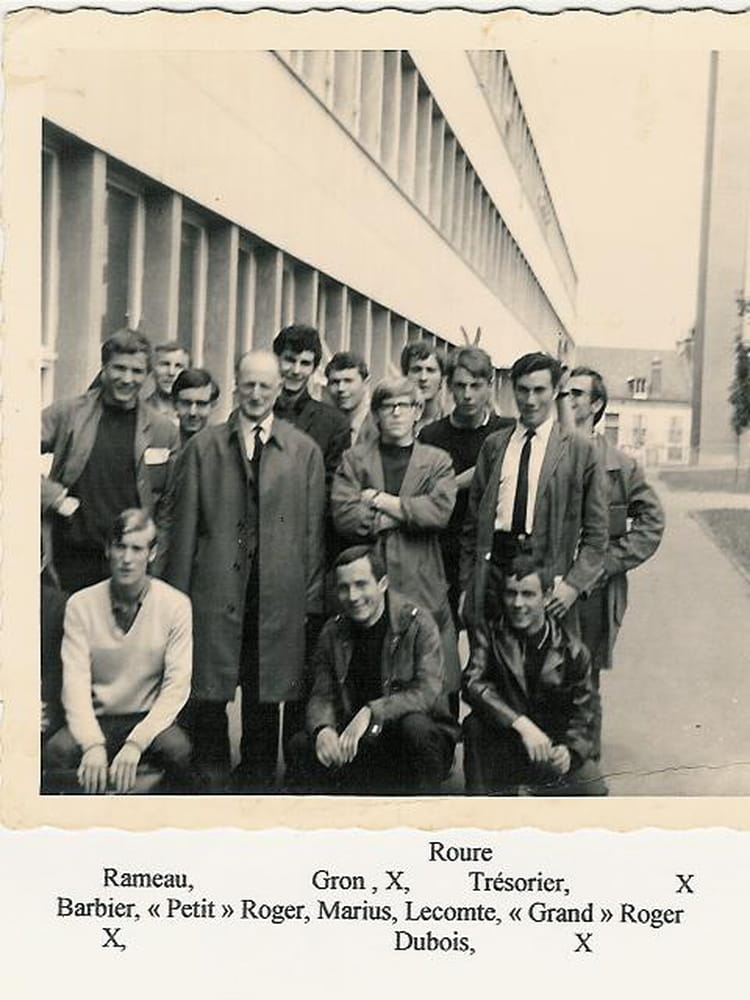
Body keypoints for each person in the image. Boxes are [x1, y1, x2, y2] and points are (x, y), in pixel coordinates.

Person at [165, 350, 326, 791]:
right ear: (236, 387)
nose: (256, 394)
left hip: (276, 589)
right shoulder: (204, 447)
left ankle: (257, 770)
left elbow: (312, 533)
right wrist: (176, 599)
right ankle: (212, 767)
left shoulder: (303, 451)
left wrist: (310, 600)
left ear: (279, 390)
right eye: (249, 385)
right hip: (215, 583)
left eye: (265, 386)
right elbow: (183, 529)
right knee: (209, 680)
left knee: (265, 680)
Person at [331, 377, 461, 717]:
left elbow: (440, 511)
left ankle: (435, 744)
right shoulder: (355, 458)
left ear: (418, 411)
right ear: (375, 414)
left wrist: (381, 501)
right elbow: (343, 513)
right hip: (370, 577)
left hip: (420, 576)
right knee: (373, 658)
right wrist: (407, 514)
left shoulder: (437, 461)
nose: (396, 413)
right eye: (388, 407)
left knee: (425, 660)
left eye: (404, 406)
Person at [43, 509, 193, 795]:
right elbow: (74, 684)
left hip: (147, 718)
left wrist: (136, 743)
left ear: (152, 553)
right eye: (120, 547)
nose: (127, 559)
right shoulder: (80, 605)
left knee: (179, 752)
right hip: (96, 717)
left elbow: (176, 688)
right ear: (108, 549)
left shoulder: (176, 606)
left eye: (137, 549)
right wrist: (92, 744)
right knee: (55, 752)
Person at [287, 546, 458, 794]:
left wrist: (373, 711)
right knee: (301, 745)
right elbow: (321, 694)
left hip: (405, 740)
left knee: (416, 729)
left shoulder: (417, 623)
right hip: (358, 742)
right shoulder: (332, 632)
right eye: (344, 587)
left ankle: (424, 817)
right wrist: (323, 729)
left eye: (361, 584)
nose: (353, 596)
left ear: (383, 583)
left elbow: (427, 692)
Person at [459, 351, 608, 629]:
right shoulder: (494, 446)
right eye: (523, 390)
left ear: (555, 392)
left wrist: (573, 586)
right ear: (512, 389)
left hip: (547, 576)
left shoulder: (578, 451)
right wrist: (469, 583)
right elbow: (472, 525)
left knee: (543, 664)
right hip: (495, 572)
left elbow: (597, 535)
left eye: (539, 390)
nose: (530, 400)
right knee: (492, 662)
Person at [568, 365, 665, 758]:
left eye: (576, 394)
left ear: (596, 405)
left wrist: (607, 563)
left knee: (583, 673)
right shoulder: (546, 453)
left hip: (593, 589)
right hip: (546, 579)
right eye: (564, 393)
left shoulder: (621, 466)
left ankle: (584, 764)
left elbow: (651, 522)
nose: (567, 400)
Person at [42, 329, 179, 594]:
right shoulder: (69, 413)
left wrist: (156, 560)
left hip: (130, 563)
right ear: (104, 367)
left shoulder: (163, 430)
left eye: (137, 371)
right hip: (73, 557)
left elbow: (168, 505)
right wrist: (54, 497)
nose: (127, 379)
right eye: (119, 368)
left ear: (147, 375)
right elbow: (10, 449)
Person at [462, 555, 607, 796]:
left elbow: (585, 713)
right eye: (511, 593)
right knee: (474, 725)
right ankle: (481, 808)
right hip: (505, 741)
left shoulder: (573, 650)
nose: (518, 604)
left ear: (548, 595)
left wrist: (570, 752)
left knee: (594, 790)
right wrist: (520, 723)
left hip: (548, 747)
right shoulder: (489, 634)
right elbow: (472, 682)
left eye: (528, 594)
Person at [420, 346, 514, 628]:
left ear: (490, 386)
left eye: (476, 386)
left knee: (489, 645)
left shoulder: (506, 430)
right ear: (448, 387)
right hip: (442, 552)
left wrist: (449, 482)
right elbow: (424, 488)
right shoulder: (431, 434)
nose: (468, 395)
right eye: (460, 386)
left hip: (488, 552)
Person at [272, 323, 350, 488]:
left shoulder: (335, 424)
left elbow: (332, 488)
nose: (296, 370)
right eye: (289, 360)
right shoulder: (252, 414)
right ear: (276, 360)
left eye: (305, 363)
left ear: (314, 368)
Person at [324, 351, 378, 447]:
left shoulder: (379, 427)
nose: (341, 388)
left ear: (366, 384)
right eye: (335, 382)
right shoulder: (322, 426)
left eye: (348, 381)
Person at [400, 341, 446, 433]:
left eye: (430, 370)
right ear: (405, 375)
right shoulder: (393, 424)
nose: (423, 378)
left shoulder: (451, 425)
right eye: (416, 370)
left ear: (442, 378)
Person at [171, 367, 220, 445]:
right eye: (186, 403)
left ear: (213, 405)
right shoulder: (164, 441)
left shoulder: (220, 447)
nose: (192, 412)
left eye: (201, 404)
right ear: (174, 404)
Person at [144, 341, 191, 423]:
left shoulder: (193, 414)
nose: (171, 372)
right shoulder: (142, 411)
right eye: (165, 364)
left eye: (178, 366)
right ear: (152, 369)